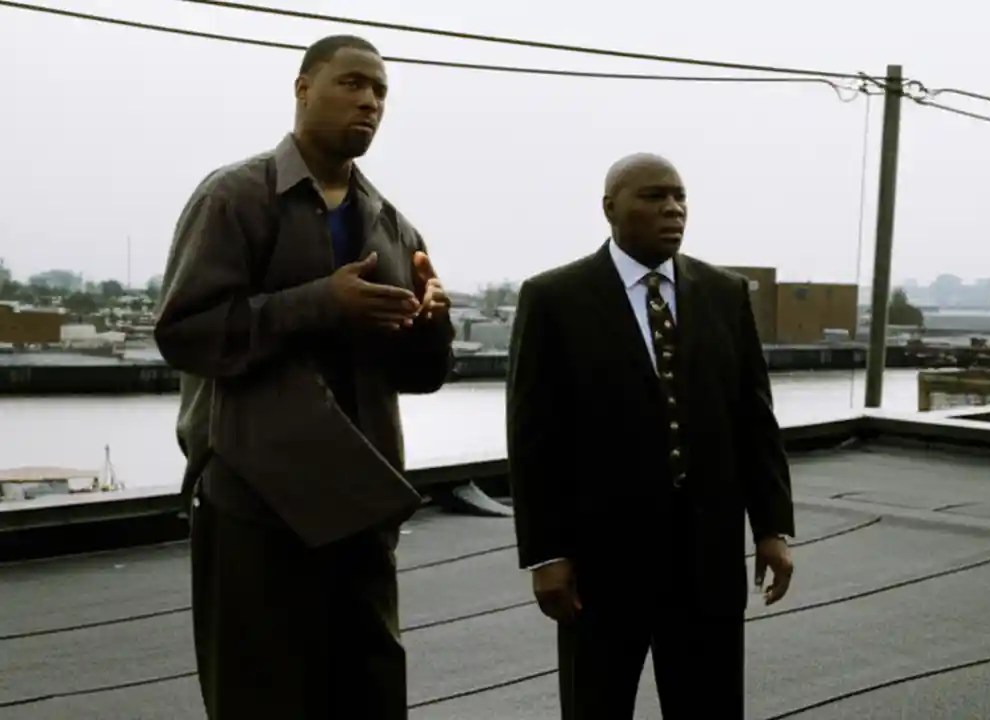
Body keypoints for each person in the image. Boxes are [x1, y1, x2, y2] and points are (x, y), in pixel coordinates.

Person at [154, 35, 454, 719]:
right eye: (352, 83)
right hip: (254, 497)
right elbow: (184, 331)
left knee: (370, 692)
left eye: (380, 93)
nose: (370, 102)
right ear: (302, 88)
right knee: (259, 696)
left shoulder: (391, 224)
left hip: (361, 499)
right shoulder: (235, 197)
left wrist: (431, 322)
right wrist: (323, 302)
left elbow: (422, 375)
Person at [506, 152, 795, 718]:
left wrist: (772, 528)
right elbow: (533, 436)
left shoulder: (724, 293)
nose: (673, 209)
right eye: (654, 197)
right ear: (610, 208)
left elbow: (754, 421)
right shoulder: (553, 298)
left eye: (679, 197)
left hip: (707, 564)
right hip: (600, 566)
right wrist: (545, 555)